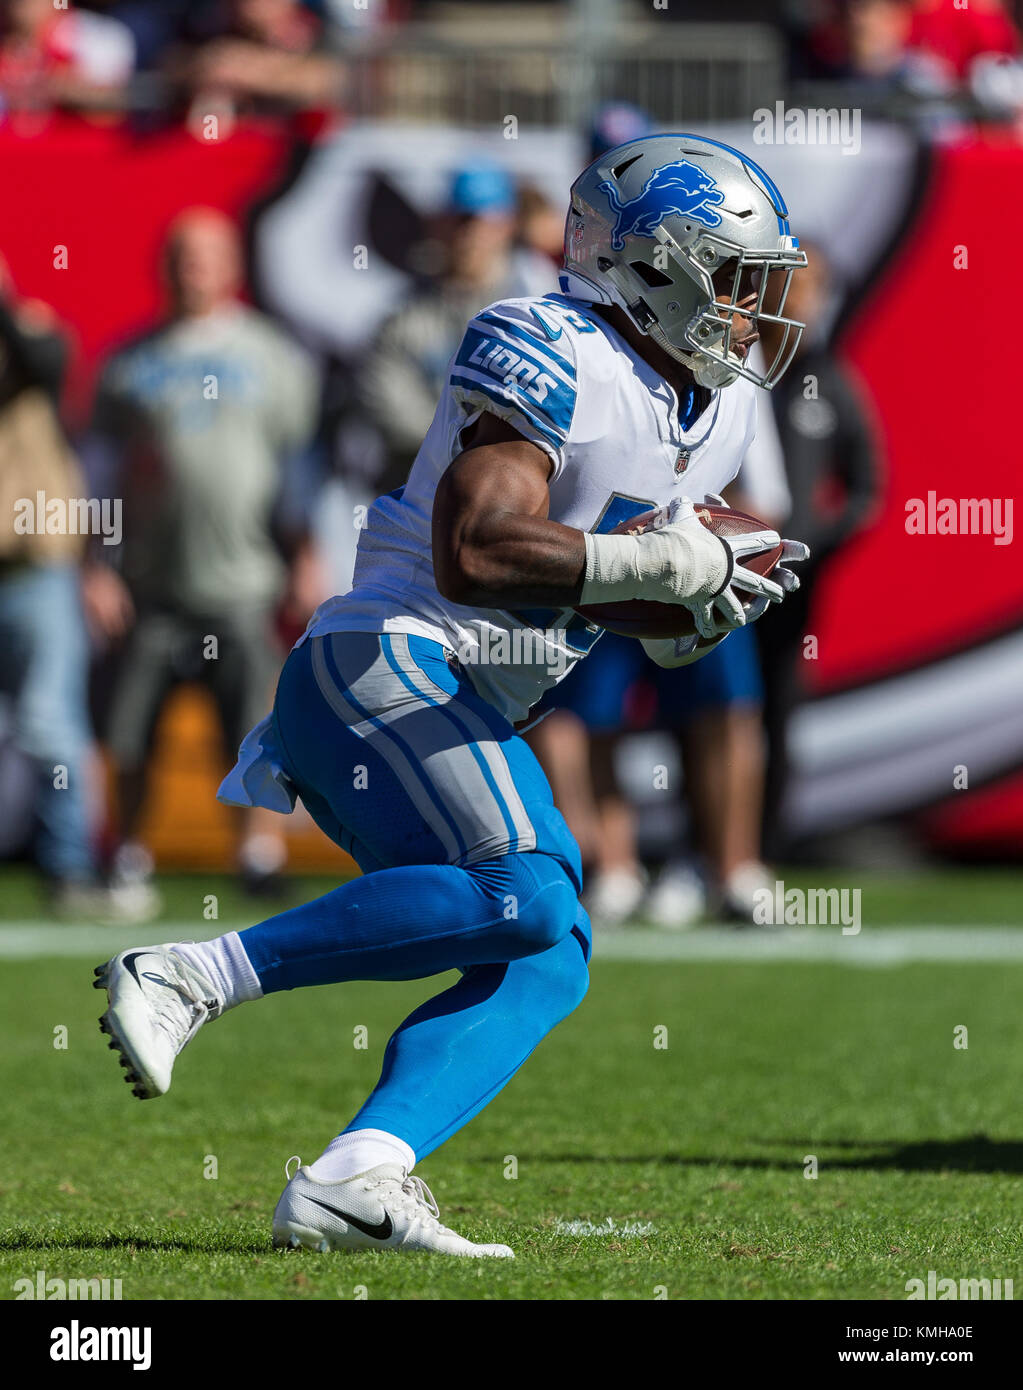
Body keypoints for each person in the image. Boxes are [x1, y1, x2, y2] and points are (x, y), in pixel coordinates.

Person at [93, 134, 809, 1257]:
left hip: (460, 694)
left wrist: (684, 612)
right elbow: (474, 547)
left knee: (551, 947)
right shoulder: (546, 337)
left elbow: (586, 592)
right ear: (655, 264)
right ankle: (191, 970)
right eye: (732, 275)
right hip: (380, 662)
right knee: (528, 889)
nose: (751, 307)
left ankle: (358, 1173)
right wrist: (657, 569)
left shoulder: (712, 411)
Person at [89, 208, 320, 912]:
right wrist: (95, 565)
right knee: (131, 731)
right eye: (181, 255)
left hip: (243, 580)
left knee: (251, 729)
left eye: (206, 255)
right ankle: (126, 856)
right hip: (152, 580)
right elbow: (99, 472)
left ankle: (254, 855)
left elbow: (299, 467)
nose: (193, 268)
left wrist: (308, 552)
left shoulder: (273, 356)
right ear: (163, 266)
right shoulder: (130, 360)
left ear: (232, 267)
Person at [754, 241, 880, 857]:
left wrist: (810, 545)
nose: (800, 299)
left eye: (813, 287)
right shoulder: (729, 372)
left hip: (788, 585)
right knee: (705, 709)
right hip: (702, 576)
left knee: (775, 711)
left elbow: (867, 490)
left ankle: (761, 852)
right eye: (789, 284)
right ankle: (697, 850)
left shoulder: (829, 382)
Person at [0, 260, 105, 912]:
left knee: (48, 723)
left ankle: (69, 866)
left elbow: (44, 360)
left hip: (37, 567)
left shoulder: (28, 329)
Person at [355, 159, 555, 495]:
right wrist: (479, 444)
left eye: (478, 220)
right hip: (423, 495)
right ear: (438, 225)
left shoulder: (538, 310)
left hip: (515, 494)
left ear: (506, 225)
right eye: (458, 220)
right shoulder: (403, 315)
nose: (468, 234)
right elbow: (389, 407)